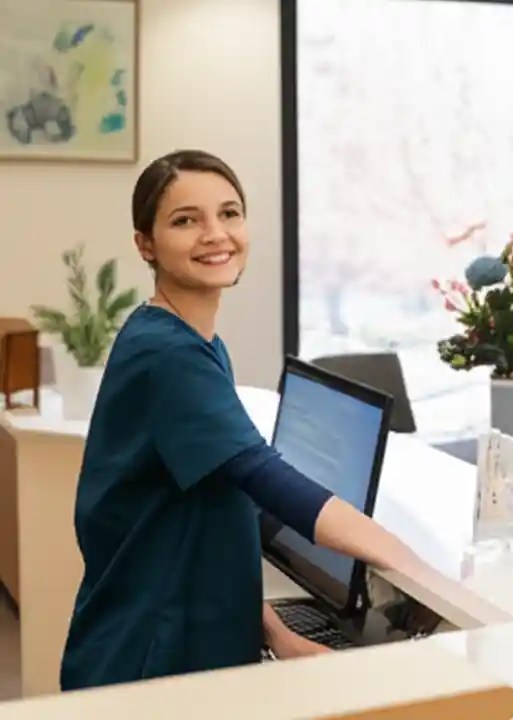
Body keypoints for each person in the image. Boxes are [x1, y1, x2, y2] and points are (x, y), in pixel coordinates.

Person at [60, 149, 433, 690]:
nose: (216, 234)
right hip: (147, 663)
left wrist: (272, 629)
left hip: (171, 644)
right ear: (146, 244)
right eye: (186, 220)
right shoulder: (168, 357)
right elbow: (269, 481)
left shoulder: (189, 341)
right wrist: (418, 571)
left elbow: (212, 509)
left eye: (229, 213)